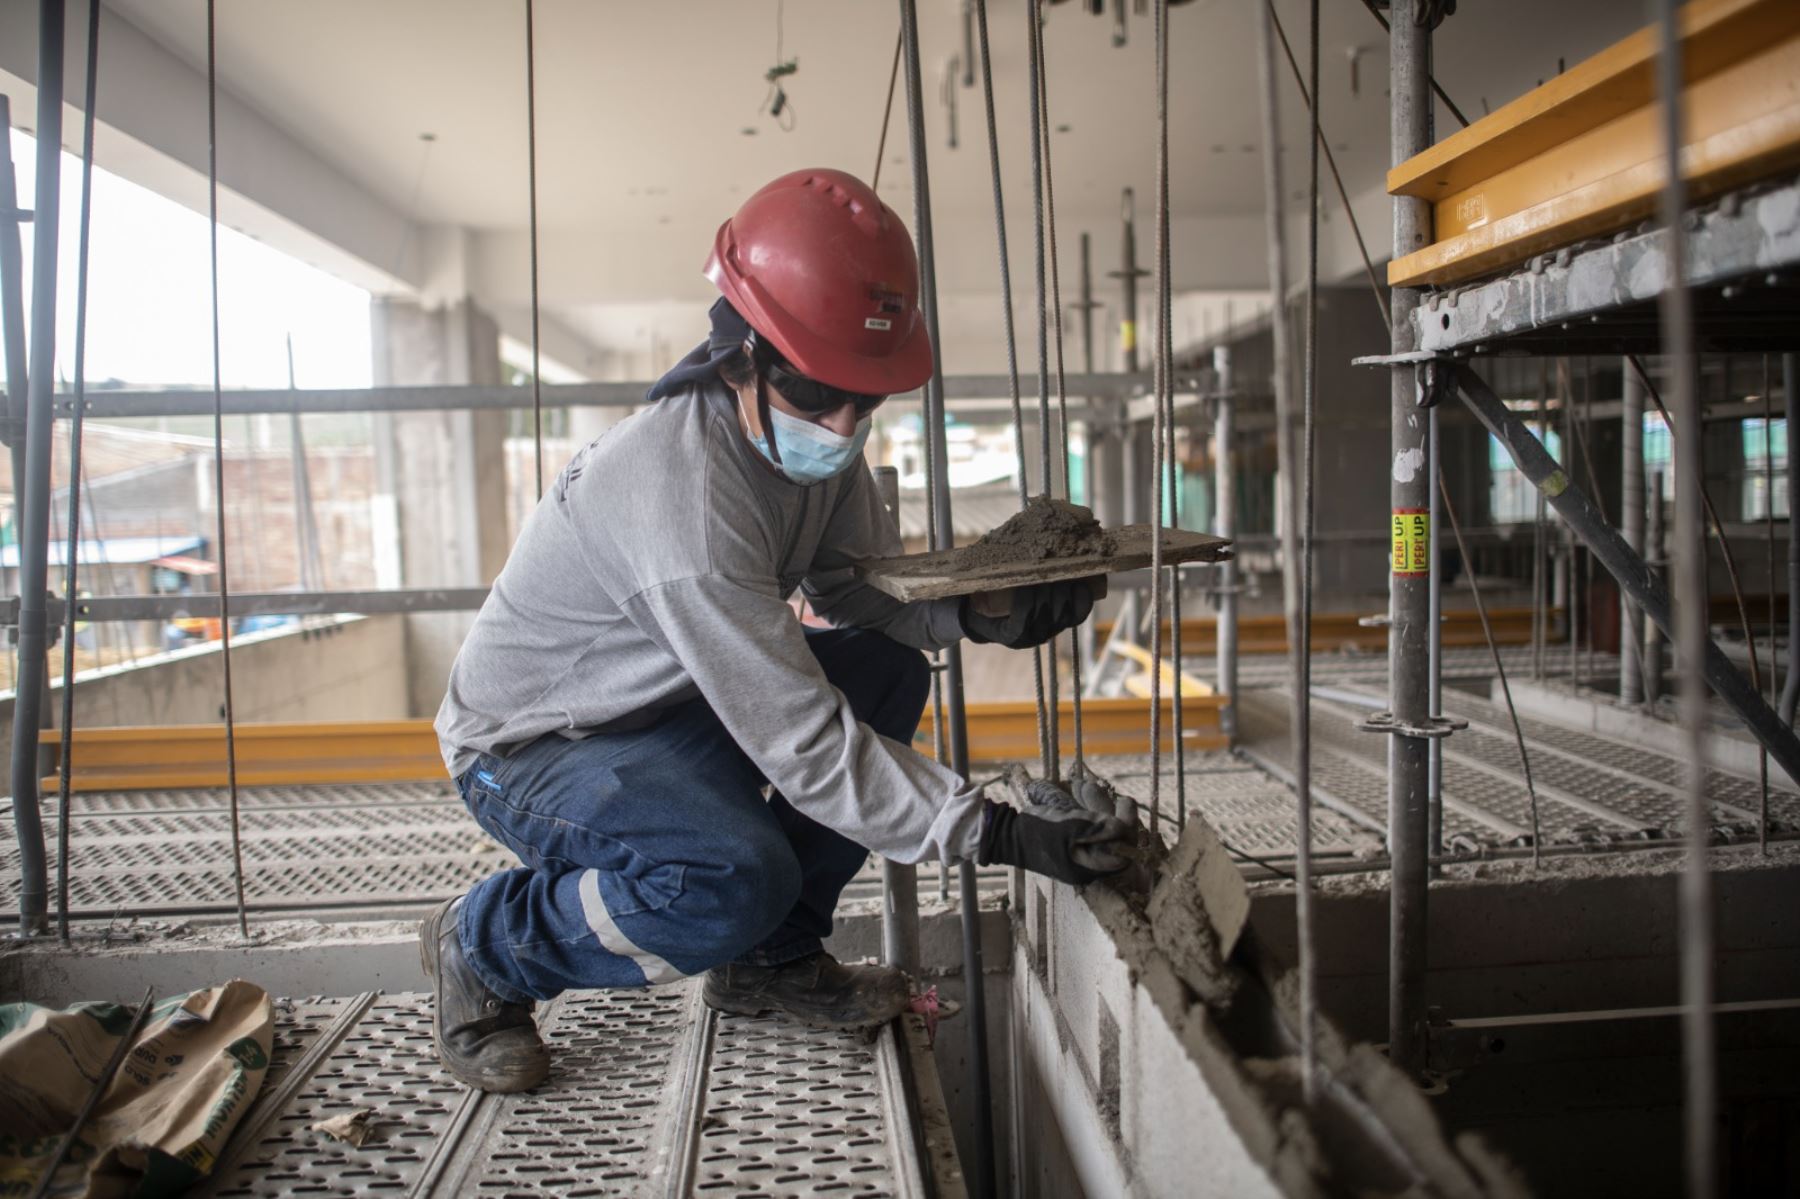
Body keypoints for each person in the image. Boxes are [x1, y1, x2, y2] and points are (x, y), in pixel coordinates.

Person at [424, 168, 1133, 1093]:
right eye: (816, 390)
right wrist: (991, 831)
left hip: (656, 708)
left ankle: (769, 961)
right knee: (725, 876)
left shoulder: (802, 443)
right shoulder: (686, 503)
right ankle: (486, 947)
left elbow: (855, 592)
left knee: (883, 670)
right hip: (530, 751)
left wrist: (983, 612)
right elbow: (802, 742)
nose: (842, 426)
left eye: (863, 400)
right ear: (740, 355)